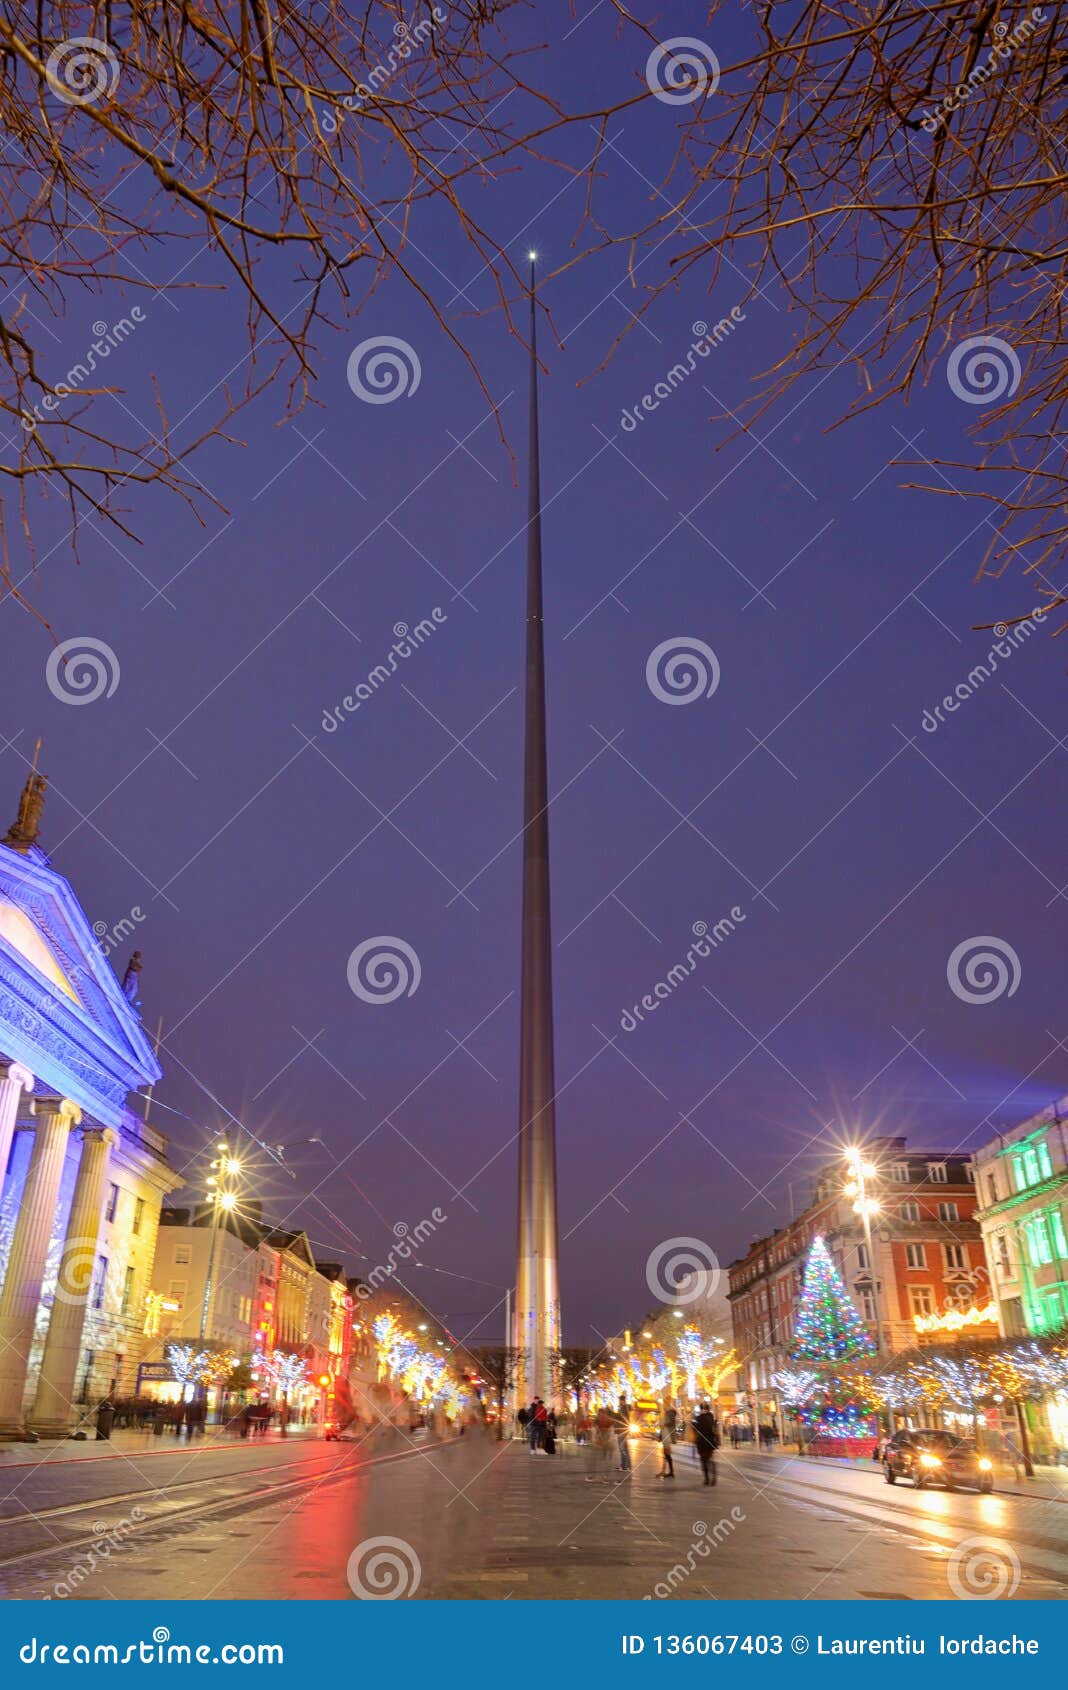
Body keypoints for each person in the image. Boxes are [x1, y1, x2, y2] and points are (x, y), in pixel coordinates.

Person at [692, 1402, 720, 1486]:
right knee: (710, 1459)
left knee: (704, 1460)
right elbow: (713, 1428)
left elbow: (696, 1428)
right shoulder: (711, 1417)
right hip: (710, 1441)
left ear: (701, 1409)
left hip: (702, 1442)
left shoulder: (699, 1418)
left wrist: (693, 1423)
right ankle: (714, 1477)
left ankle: (707, 1479)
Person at [587, 1405, 615, 1481]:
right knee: (606, 1459)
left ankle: (592, 1476)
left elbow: (594, 1431)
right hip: (607, 1442)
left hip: (600, 1442)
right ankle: (605, 1477)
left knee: (596, 1460)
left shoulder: (597, 1420)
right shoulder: (609, 1420)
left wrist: (594, 1439)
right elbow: (612, 1431)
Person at [615, 1399, 632, 1472]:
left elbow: (621, 1419)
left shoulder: (624, 1408)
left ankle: (626, 1466)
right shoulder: (624, 1408)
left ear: (622, 1401)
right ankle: (624, 1465)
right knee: (623, 1449)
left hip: (622, 1431)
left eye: (619, 1400)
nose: (619, 1402)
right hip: (622, 1430)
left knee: (623, 1449)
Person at [658, 1407, 676, 1478]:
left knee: (667, 1454)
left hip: (667, 1436)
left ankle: (670, 1472)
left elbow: (670, 1423)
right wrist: (660, 1437)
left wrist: (663, 1424)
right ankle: (667, 1471)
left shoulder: (670, 1414)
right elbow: (663, 1427)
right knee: (666, 1454)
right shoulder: (666, 1414)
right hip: (665, 1435)